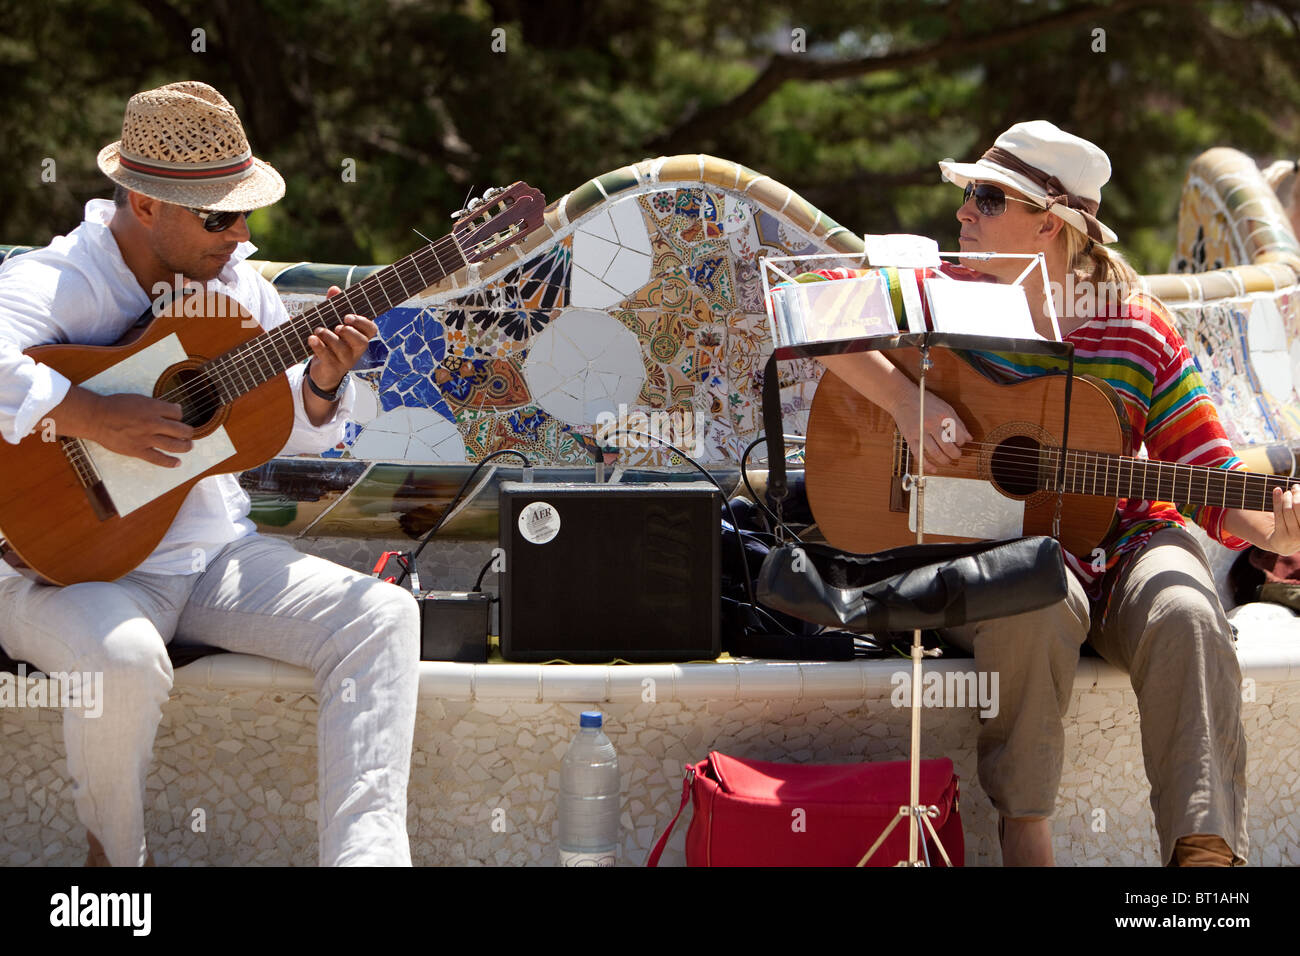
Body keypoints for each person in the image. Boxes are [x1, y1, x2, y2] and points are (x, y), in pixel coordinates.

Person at [818, 120, 1300, 866]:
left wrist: (1277, 533)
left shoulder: (1140, 329)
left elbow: (1210, 474)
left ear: (1048, 224)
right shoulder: (941, 294)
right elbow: (812, 309)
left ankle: (1205, 856)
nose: (962, 212)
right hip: (1003, 546)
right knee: (1033, 593)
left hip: (1130, 539)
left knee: (1187, 610)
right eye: (968, 195)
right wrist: (908, 404)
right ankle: (1026, 831)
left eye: (985, 197)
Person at [0, 81, 421, 866]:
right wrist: (93, 415)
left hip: (207, 558)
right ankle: (116, 868)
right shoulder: (58, 282)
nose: (241, 233)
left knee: (383, 617)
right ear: (146, 204)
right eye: (219, 216)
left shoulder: (234, 289)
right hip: (61, 570)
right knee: (121, 658)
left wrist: (324, 386)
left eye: (244, 212)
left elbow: (279, 425)